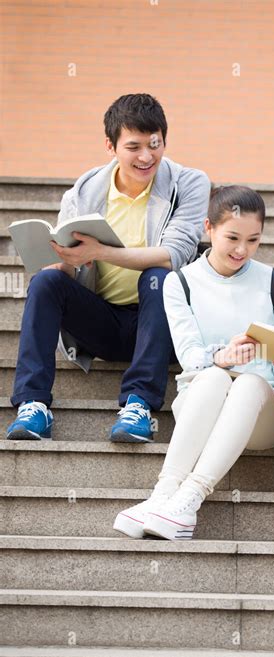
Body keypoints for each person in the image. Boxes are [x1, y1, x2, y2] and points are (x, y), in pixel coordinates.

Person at [7, 93, 210, 442]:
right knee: (45, 283)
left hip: (161, 323)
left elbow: (171, 254)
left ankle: (139, 405)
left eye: (155, 144)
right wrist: (62, 261)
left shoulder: (188, 183)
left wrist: (99, 251)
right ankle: (33, 405)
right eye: (134, 147)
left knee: (159, 277)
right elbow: (69, 269)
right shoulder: (86, 190)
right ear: (111, 146)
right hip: (101, 322)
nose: (147, 157)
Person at [113, 185, 274, 539]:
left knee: (247, 383)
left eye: (253, 240)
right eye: (233, 237)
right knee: (213, 377)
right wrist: (222, 357)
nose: (243, 250)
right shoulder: (180, 282)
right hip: (201, 402)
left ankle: (190, 498)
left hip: (264, 411)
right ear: (208, 228)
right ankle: (164, 494)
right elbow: (189, 356)